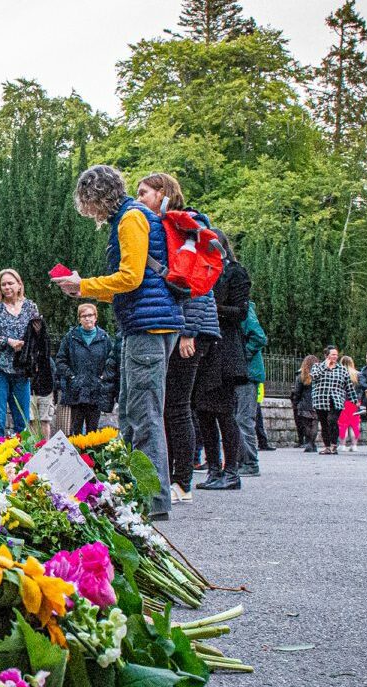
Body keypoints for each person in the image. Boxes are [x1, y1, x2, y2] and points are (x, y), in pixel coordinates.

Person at [54, 165, 185, 519]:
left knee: (143, 416)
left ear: (98, 198)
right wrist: (86, 288)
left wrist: (84, 287)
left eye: (90, 206)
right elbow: (132, 289)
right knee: (129, 412)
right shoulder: (130, 217)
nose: (91, 214)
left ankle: (154, 502)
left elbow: (130, 277)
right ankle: (135, 493)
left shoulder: (131, 219)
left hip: (149, 328)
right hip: (143, 323)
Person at [135, 173, 218, 502]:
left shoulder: (186, 223)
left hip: (188, 327)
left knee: (177, 406)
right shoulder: (169, 225)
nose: (139, 199)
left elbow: (193, 283)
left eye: (144, 193)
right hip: (178, 324)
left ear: (162, 193)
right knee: (169, 404)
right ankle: (172, 475)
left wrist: (187, 331)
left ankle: (182, 482)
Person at [192, 229, 248, 490]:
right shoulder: (200, 271)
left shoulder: (234, 272)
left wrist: (211, 308)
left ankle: (232, 470)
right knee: (203, 412)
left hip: (225, 351)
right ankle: (214, 469)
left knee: (224, 413)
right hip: (204, 350)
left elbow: (240, 312)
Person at [0, 269, 39, 437]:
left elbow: (38, 334)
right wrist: (7, 341)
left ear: (19, 285)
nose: (7, 287)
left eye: (10, 283)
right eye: (3, 284)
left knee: (23, 422)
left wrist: (28, 347)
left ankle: (22, 460)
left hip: (21, 370)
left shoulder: (30, 307)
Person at [54, 303, 115, 436]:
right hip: (77, 391)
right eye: (84, 316)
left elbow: (111, 361)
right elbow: (60, 360)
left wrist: (103, 377)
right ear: (79, 319)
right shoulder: (71, 337)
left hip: (96, 390)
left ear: (96, 317)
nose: (87, 319)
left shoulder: (104, 338)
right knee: (75, 431)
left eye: (90, 315)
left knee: (93, 431)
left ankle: (91, 456)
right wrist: (72, 377)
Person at [235, 302, 269, 473]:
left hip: (247, 373)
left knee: (243, 419)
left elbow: (259, 337)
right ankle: (243, 461)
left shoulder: (245, 309)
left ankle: (249, 462)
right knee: (238, 419)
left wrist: (241, 356)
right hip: (241, 372)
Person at [16, 315, 56, 439]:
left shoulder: (46, 342)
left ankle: (44, 446)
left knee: (44, 420)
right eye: (34, 323)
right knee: (31, 421)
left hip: (45, 385)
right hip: (30, 385)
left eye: (39, 323)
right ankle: (33, 448)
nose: (36, 326)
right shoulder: (26, 342)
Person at [311, 347, 355, 454]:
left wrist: (354, 399)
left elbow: (348, 385)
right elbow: (314, 376)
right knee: (324, 423)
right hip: (321, 400)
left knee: (332, 421)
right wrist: (324, 365)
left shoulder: (342, 369)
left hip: (336, 400)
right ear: (327, 356)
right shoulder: (317, 367)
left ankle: (334, 445)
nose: (335, 357)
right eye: (333, 354)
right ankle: (327, 446)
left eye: (336, 354)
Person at [291, 355, 319, 452]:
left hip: (304, 403)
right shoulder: (319, 375)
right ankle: (312, 443)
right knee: (315, 423)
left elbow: (297, 392)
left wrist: (296, 402)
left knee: (306, 425)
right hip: (316, 402)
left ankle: (309, 443)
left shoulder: (301, 376)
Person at [337, 355, 362, 452]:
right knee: (354, 424)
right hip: (355, 402)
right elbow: (361, 390)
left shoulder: (339, 373)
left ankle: (342, 444)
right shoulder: (358, 375)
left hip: (343, 401)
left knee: (343, 424)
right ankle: (354, 445)